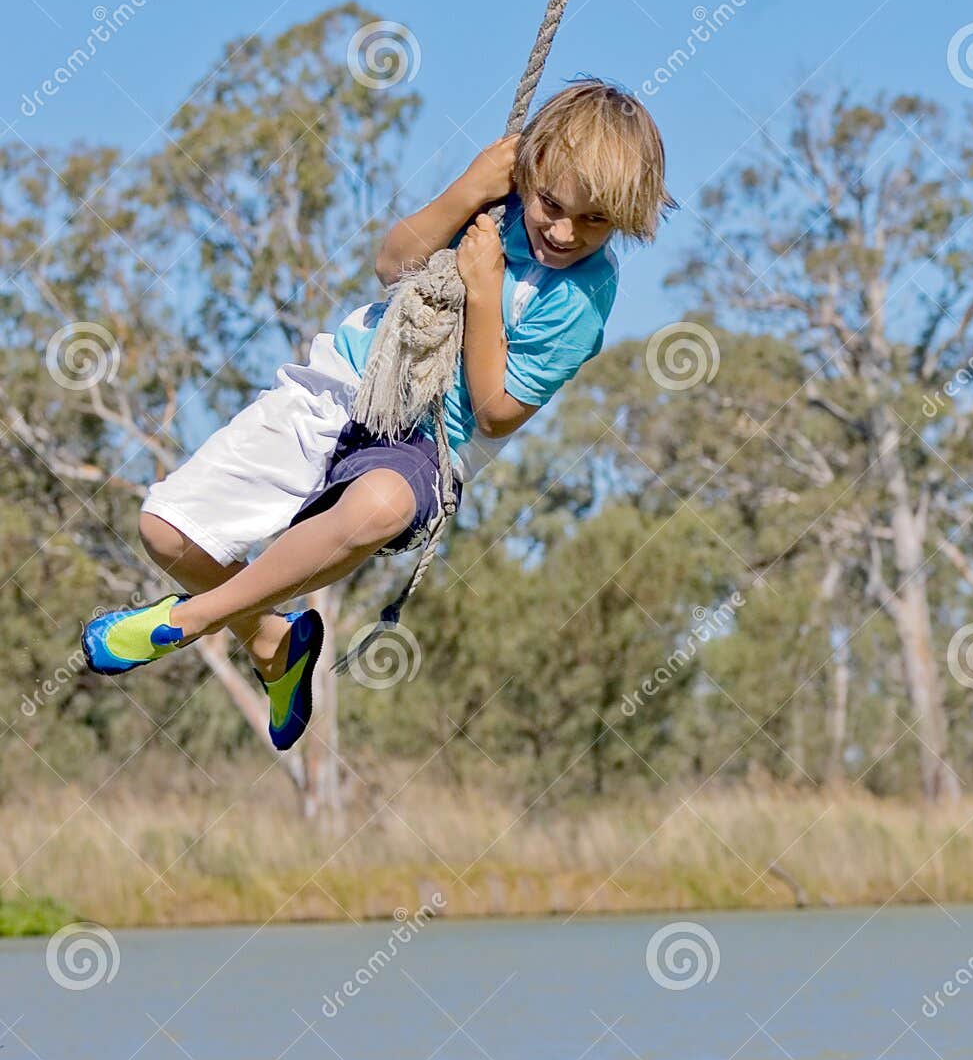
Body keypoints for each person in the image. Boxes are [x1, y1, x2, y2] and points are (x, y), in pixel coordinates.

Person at [82, 79, 674, 749]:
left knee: (381, 506)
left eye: (594, 221)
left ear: (627, 217)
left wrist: (483, 290)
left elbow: (497, 412)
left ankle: (189, 620)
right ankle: (269, 640)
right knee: (165, 531)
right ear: (530, 168)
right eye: (552, 204)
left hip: (427, 438)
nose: (564, 231)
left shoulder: (585, 297)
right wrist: (468, 188)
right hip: (346, 384)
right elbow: (392, 264)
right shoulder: (495, 198)